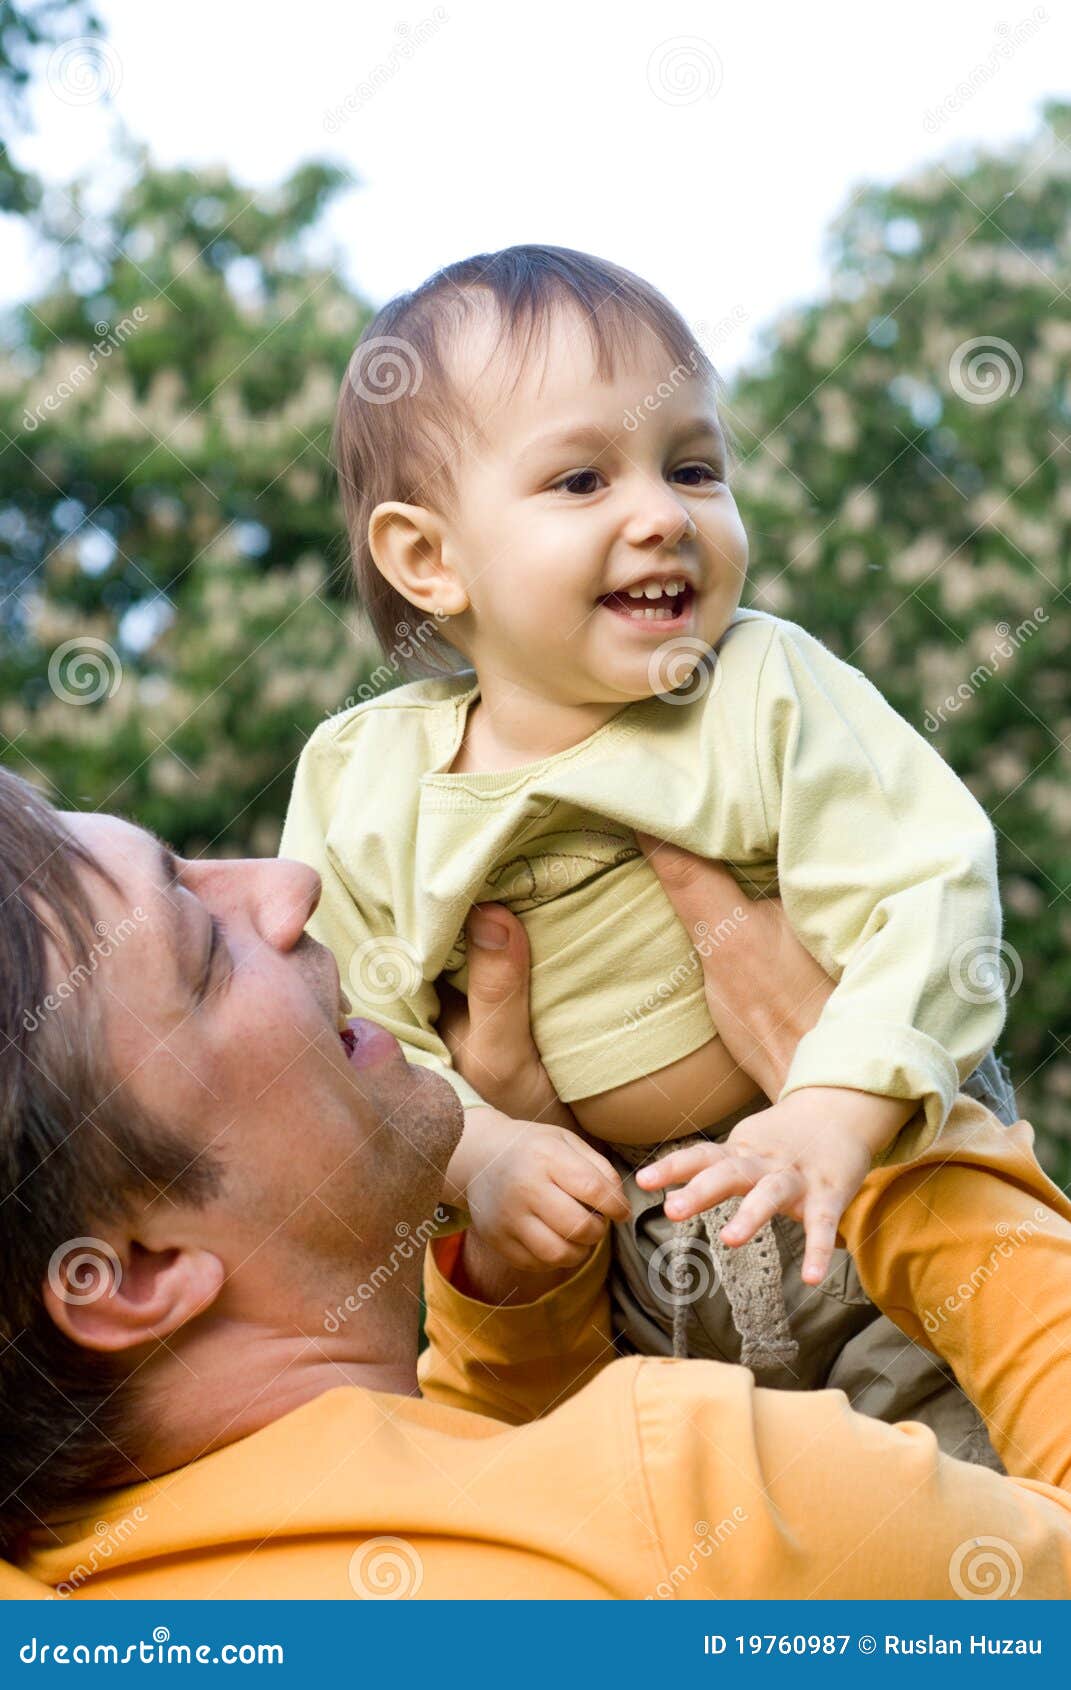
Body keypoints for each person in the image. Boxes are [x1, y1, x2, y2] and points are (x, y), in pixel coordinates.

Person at [0, 765, 1069, 1601]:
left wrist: (522, 1301)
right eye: (204, 953)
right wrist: (876, 1132)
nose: (288, 885)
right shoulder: (714, 1513)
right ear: (133, 1271)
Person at [279, 242, 1018, 1443]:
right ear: (429, 558)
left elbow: (928, 884)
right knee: (658, 1524)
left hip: (862, 1187)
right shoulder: (368, 780)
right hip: (620, 1246)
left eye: (694, 466)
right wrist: (488, 1153)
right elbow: (360, 1033)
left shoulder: (763, 688)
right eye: (581, 480)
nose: (662, 515)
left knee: (961, 1488)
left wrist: (836, 1104)